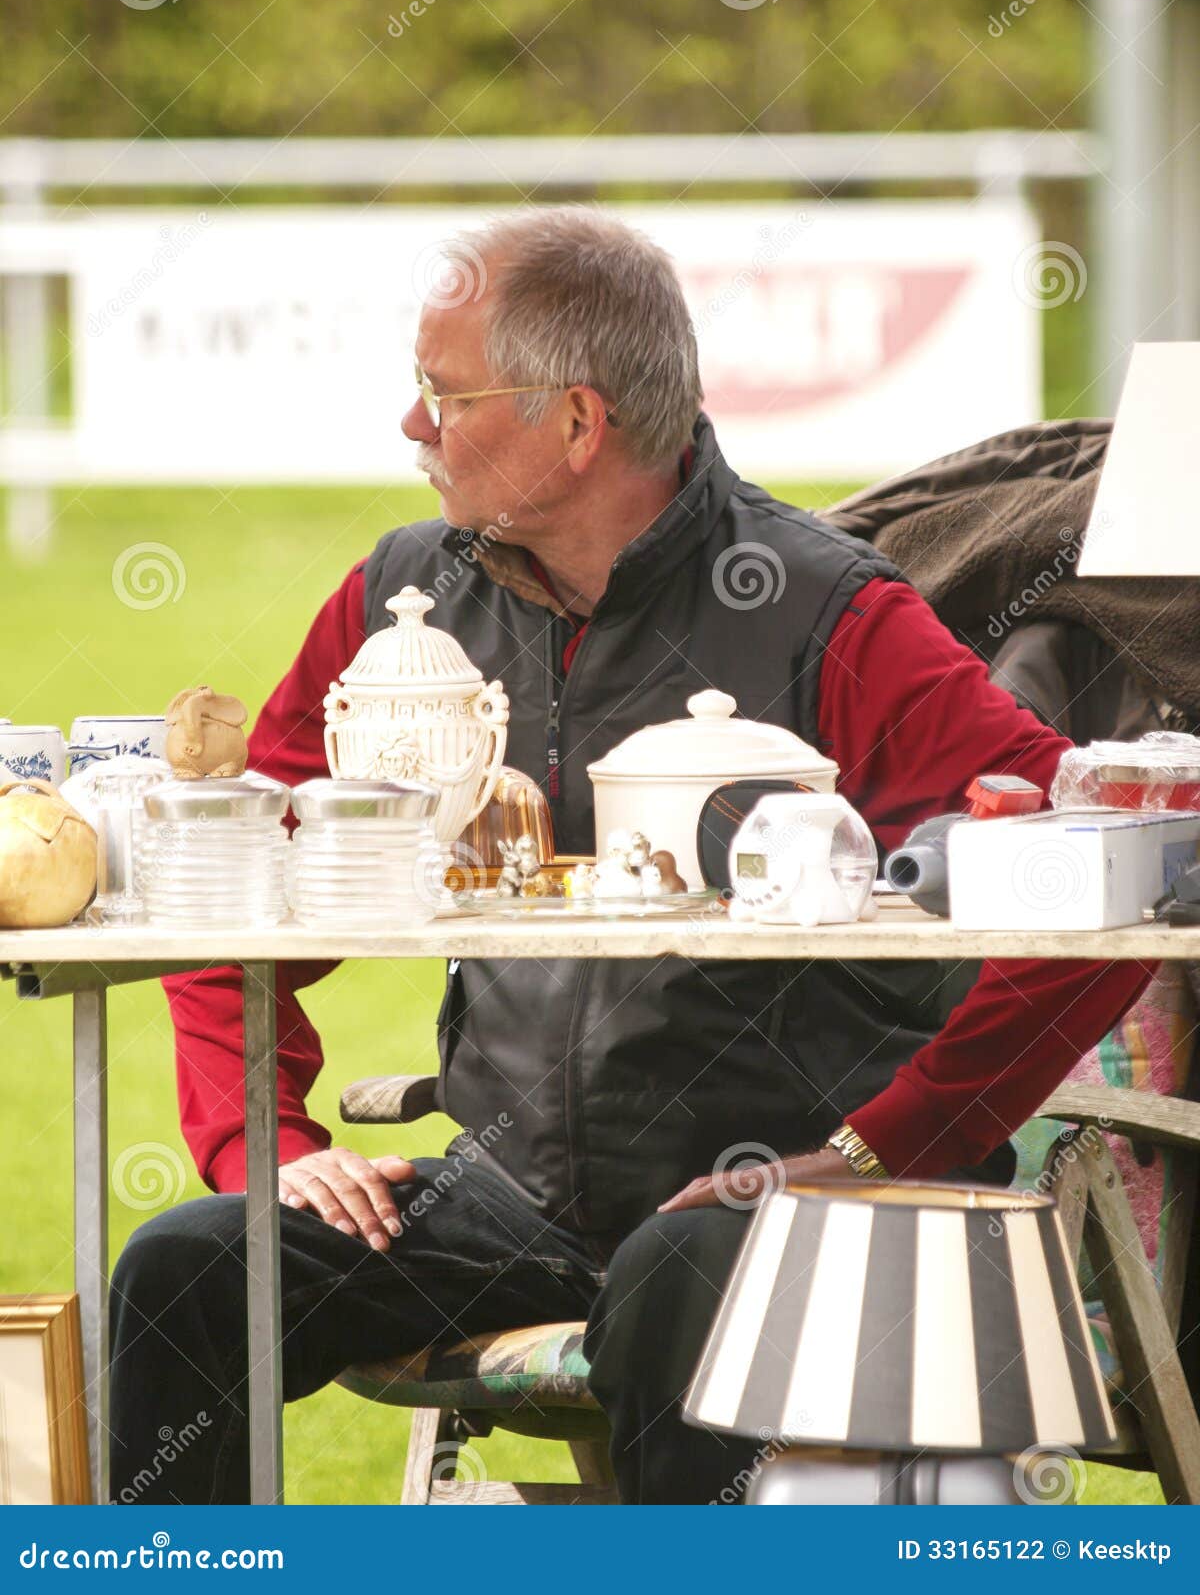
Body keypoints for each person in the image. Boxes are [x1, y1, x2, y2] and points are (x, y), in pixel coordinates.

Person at [109, 206, 1151, 1504]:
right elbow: (236, 867)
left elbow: (1107, 872)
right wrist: (262, 1138)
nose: (411, 425)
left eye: (444, 393)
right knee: (187, 1273)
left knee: (677, 1285)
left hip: (778, 1188)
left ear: (578, 421)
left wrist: (897, 1142)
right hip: (504, 1194)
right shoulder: (398, 599)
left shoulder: (831, 614)